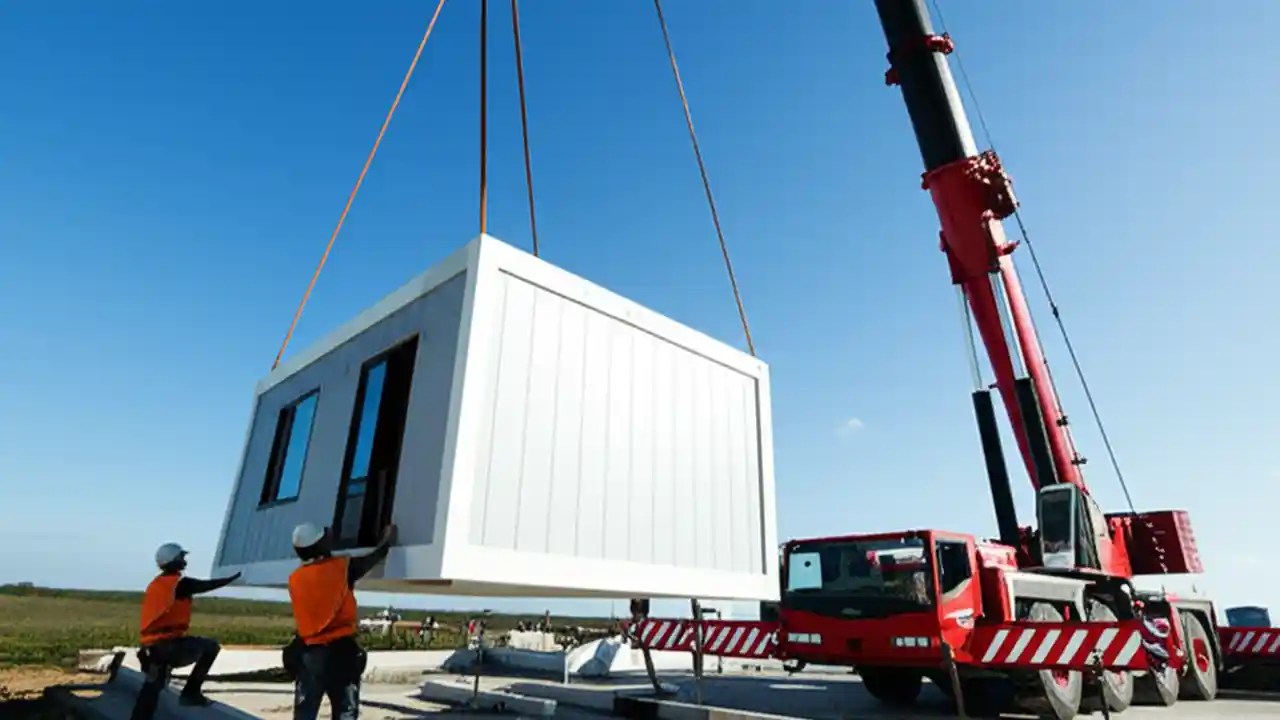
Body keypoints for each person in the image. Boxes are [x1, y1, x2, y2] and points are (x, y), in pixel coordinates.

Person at [286, 522, 397, 720]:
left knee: (305, 713)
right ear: (320, 545)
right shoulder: (339, 569)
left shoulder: (296, 578)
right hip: (340, 652)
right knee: (345, 710)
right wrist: (387, 539)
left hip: (309, 653)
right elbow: (374, 557)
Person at [136, 543, 241, 708]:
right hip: (167, 647)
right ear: (173, 560)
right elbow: (203, 586)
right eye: (181, 557)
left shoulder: (160, 583)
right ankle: (190, 693)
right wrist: (231, 579)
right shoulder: (177, 584)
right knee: (210, 647)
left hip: (152, 647)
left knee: (151, 690)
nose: (184, 560)